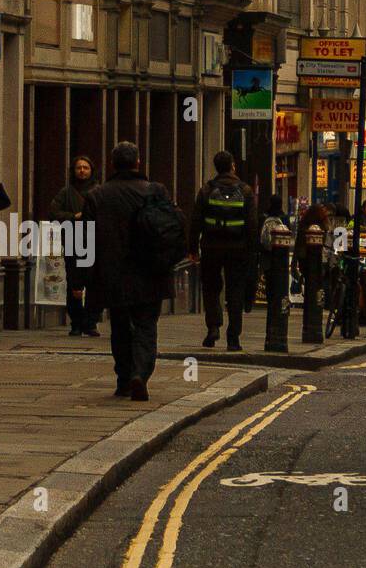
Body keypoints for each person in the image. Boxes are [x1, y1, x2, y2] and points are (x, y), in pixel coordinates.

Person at [82, 141, 175, 401]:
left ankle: (124, 380)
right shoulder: (156, 191)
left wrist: (83, 278)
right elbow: (171, 230)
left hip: (113, 275)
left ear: (112, 164)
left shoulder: (97, 196)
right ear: (137, 163)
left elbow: (85, 241)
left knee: (120, 327)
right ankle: (140, 374)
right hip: (150, 272)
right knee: (146, 326)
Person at [189, 150, 258, 352]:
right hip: (238, 249)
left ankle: (213, 328)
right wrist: (252, 251)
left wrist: (192, 248)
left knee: (211, 289)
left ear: (216, 167)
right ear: (233, 166)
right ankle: (233, 338)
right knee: (235, 291)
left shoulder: (206, 190)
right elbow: (252, 225)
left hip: (211, 247)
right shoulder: (245, 191)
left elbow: (196, 221)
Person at [49, 154, 100, 336]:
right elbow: (53, 212)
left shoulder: (98, 191)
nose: (82, 171)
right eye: (79, 167)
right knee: (74, 283)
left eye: (85, 167)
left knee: (94, 282)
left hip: (94, 242)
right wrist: (73, 217)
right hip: (73, 240)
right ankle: (76, 322)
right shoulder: (66, 192)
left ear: (91, 170)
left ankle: (91, 321)